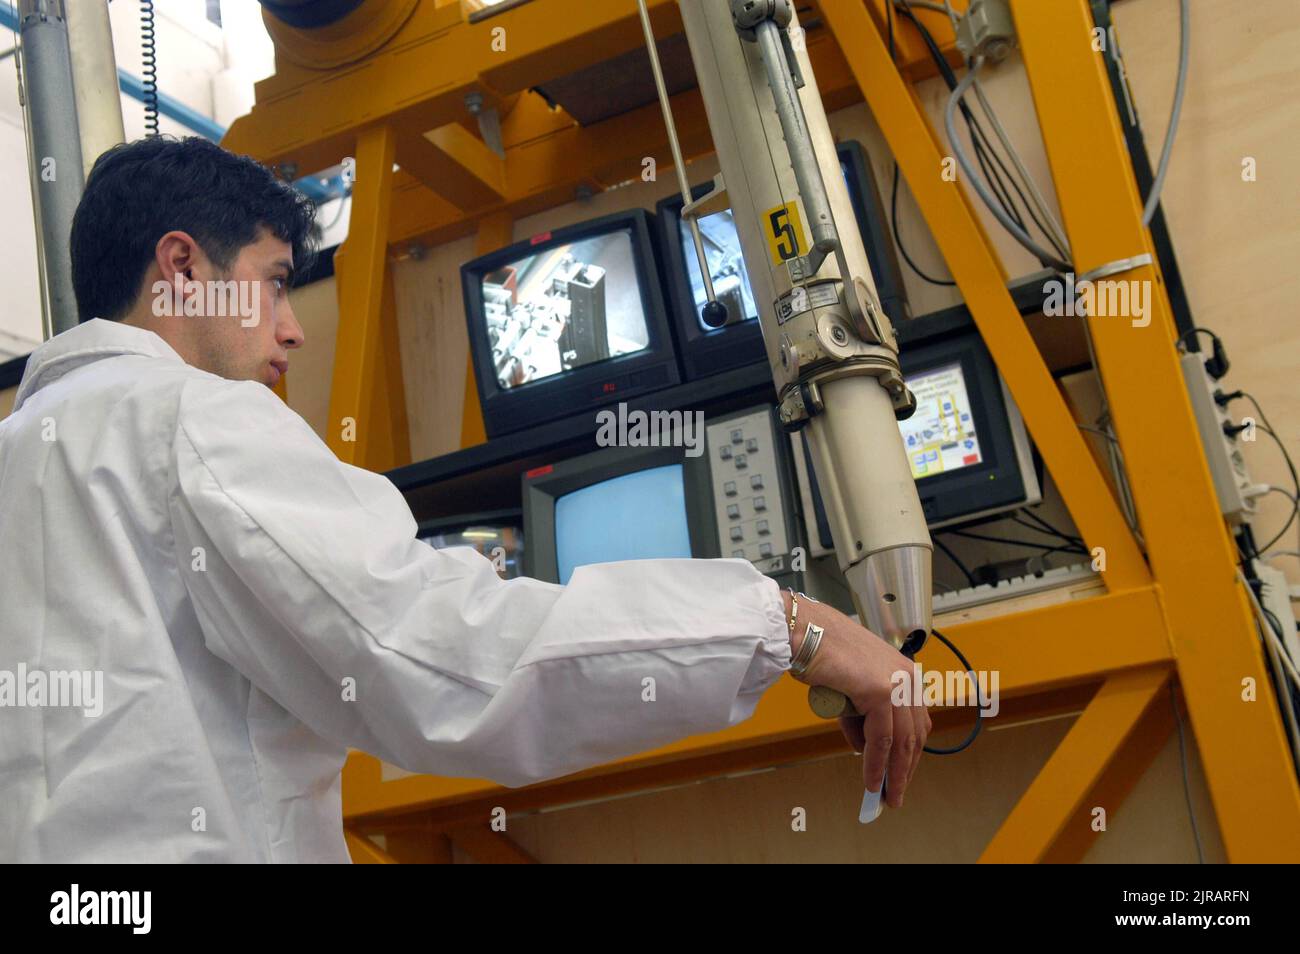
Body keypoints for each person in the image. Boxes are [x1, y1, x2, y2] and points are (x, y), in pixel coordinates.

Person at [0, 136, 928, 862]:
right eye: (276, 283)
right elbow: (442, 657)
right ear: (183, 267)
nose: (292, 331)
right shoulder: (190, 421)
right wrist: (788, 626)